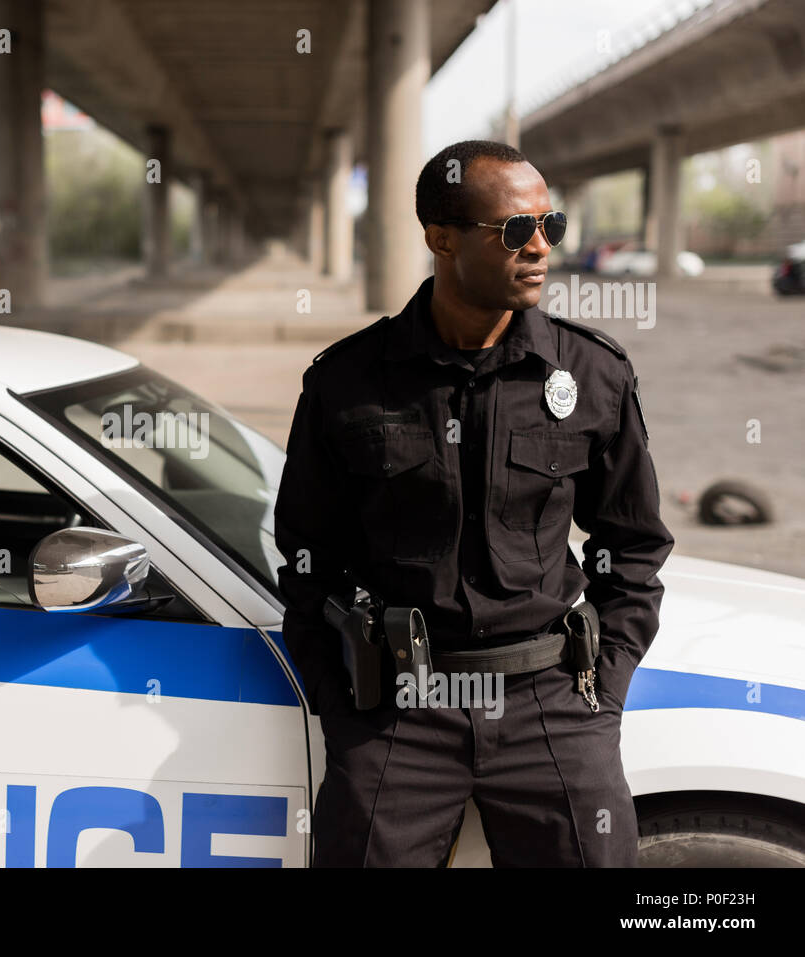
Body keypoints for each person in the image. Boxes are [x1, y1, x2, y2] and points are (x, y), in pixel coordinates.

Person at [273, 140, 675, 867]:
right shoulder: (347, 381)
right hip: (398, 712)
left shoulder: (591, 374)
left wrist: (600, 694)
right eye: (515, 230)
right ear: (441, 236)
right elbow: (306, 556)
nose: (540, 247)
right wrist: (344, 706)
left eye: (550, 225)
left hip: (549, 704)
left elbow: (635, 544)